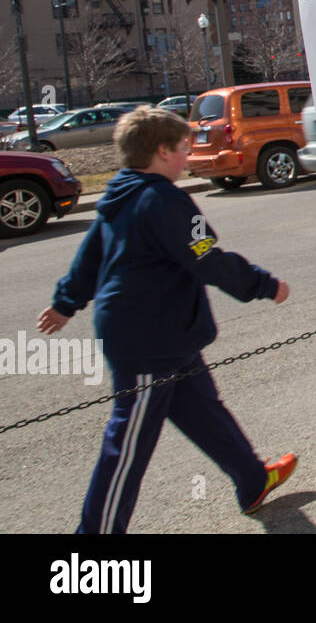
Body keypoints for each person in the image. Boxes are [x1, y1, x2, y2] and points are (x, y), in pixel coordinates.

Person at [37, 107, 297, 533]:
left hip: (167, 335)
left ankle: (251, 479)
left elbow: (90, 257)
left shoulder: (120, 194)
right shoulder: (167, 200)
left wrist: (66, 303)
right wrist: (265, 285)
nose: (187, 154)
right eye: (182, 147)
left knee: (204, 412)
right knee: (127, 446)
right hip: (147, 342)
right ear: (161, 151)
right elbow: (208, 259)